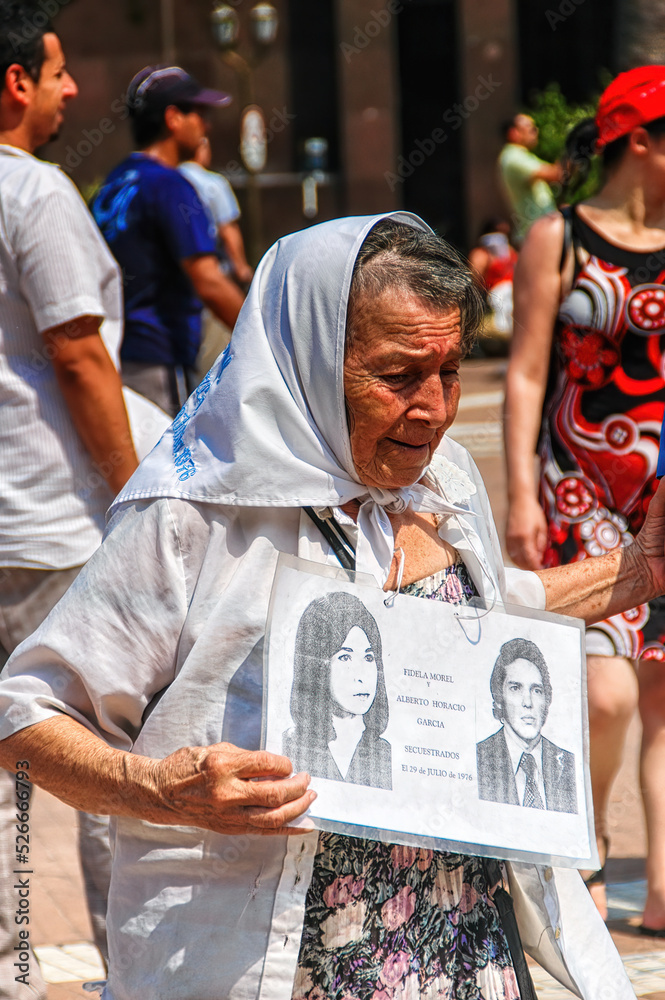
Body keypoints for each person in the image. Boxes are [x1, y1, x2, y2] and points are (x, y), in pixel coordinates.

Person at [0, 212, 651, 999]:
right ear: (307, 360)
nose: (436, 409)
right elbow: (24, 717)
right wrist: (159, 790)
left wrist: (637, 569)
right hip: (274, 963)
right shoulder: (194, 514)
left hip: (454, 949)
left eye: (449, 371)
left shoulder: (438, 481)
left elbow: (473, 621)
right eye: (398, 375)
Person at [0, 3, 164, 994]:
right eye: (56, 72)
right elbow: (76, 350)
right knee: (101, 772)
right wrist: (132, 493)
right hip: (51, 522)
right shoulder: (34, 192)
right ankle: (134, 976)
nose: (72, 89)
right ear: (15, 82)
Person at [504, 64, 665, 928]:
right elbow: (526, 371)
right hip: (580, 494)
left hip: (664, 499)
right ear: (637, 139)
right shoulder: (558, 237)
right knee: (604, 695)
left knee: (663, 692)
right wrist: (520, 495)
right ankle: (589, 835)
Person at [92, 65, 246, 416]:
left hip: (116, 354)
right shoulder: (170, 185)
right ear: (173, 117)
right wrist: (262, 332)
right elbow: (207, 280)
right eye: (198, 113)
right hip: (159, 360)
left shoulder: (114, 183)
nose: (205, 125)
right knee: (168, 466)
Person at [283, 592, 392, 789]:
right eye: (345, 657)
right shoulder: (291, 746)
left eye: (368, 658)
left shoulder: (383, 753)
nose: (361, 675)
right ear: (318, 666)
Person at [476, 638, 577, 812]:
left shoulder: (568, 764)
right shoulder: (480, 757)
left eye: (536, 690)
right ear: (499, 697)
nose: (528, 702)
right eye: (515, 688)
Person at [179, 136, 253, 286]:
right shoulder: (214, 183)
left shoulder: (166, 181)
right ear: (201, 149)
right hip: (211, 270)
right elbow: (227, 229)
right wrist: (241, 268)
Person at [498, 113, 563, 246]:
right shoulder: (513, 156)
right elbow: (555, 174)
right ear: (514, 133)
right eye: (531, 128)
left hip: (537, 234)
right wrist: (575, 149)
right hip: (535, 237)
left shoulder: (521, 155)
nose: (536, 131)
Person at [468, 218, 518, 336]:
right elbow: (476, 279)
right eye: (496, 231)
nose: (500, 235)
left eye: (504, 233)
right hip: (496, 293)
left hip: (513, 291)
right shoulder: (481, 254)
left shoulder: (511, 251)